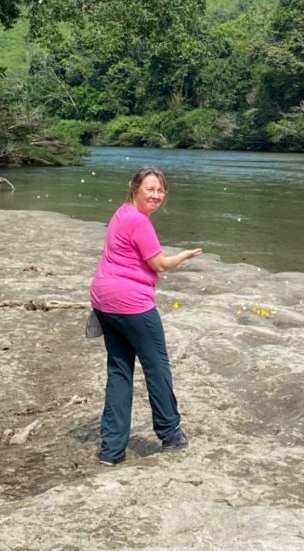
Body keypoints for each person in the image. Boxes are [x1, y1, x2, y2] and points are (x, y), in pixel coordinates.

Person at [89, 166, 203, 465]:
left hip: (104, 300)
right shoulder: (138, 222)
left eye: (160, 190)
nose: (155, 195)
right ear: (135, 188)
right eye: (150, 188)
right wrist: (185, 256)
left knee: (119, 370)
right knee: (157, 367)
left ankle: (111, 451)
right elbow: (160, 264)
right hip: (131, 303)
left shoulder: (120, 214)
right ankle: (170, 434)